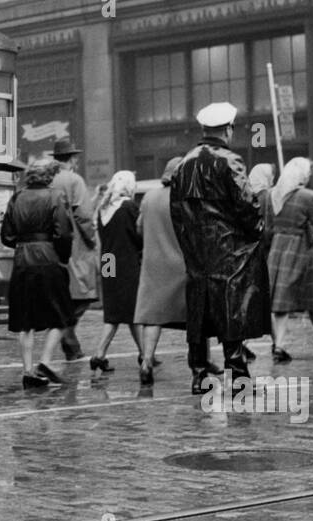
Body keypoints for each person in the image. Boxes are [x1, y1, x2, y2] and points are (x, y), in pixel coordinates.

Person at [170, 102, 270, 390]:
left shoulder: (182, 165)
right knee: (232, 308)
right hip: (229, 248)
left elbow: (176, 212)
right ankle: (238, 373)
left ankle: (199, 373)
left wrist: (188, 245)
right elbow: (247, 205)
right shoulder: (230, 161)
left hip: (196, 250)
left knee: (198, 310)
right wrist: (256, 232)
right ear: (227, 130)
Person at [1, 157, 74, 387]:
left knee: (25, 318)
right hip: (48, 257)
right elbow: (63, 233)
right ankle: (46, 361)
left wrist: (24, 244)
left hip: (22, 259)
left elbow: (6, 236)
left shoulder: (17, 197)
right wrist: (62, 256)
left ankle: (27, 370)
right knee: (62, 313)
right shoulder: (55, 196)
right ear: (50, 176)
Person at [265, 156, 313, 361]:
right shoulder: (309, 196)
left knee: (281, 299)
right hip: (302, 247)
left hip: (278, 248)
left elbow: (269, 225)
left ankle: (279, 344)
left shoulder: (274, 194)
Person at [133, 156, 190, 385]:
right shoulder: (185, 199)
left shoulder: (149, 197)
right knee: (195, 316)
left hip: (153, 265)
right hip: (180, 264)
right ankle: (201, 362)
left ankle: (146, 361)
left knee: (152, 318)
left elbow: (139, 228)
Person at [48, 139, 98, 360]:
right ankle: (68, 335)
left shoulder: (48, 179)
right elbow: (84, 215)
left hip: (52, 245)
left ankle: (70, 341)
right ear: (71, 159)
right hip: (76, 244)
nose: (77, 162)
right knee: (84, 294)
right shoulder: (74, 180)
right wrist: (93, 239)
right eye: (75, 158)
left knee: (66, 293)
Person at [89, 170, 142, 373]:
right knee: (129, 310)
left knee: (118, 309)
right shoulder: (128, 207)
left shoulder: (104, 207)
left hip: (108, 261)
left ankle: (144, 353)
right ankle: (99, 354)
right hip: (125, 262)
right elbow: (138, 236)